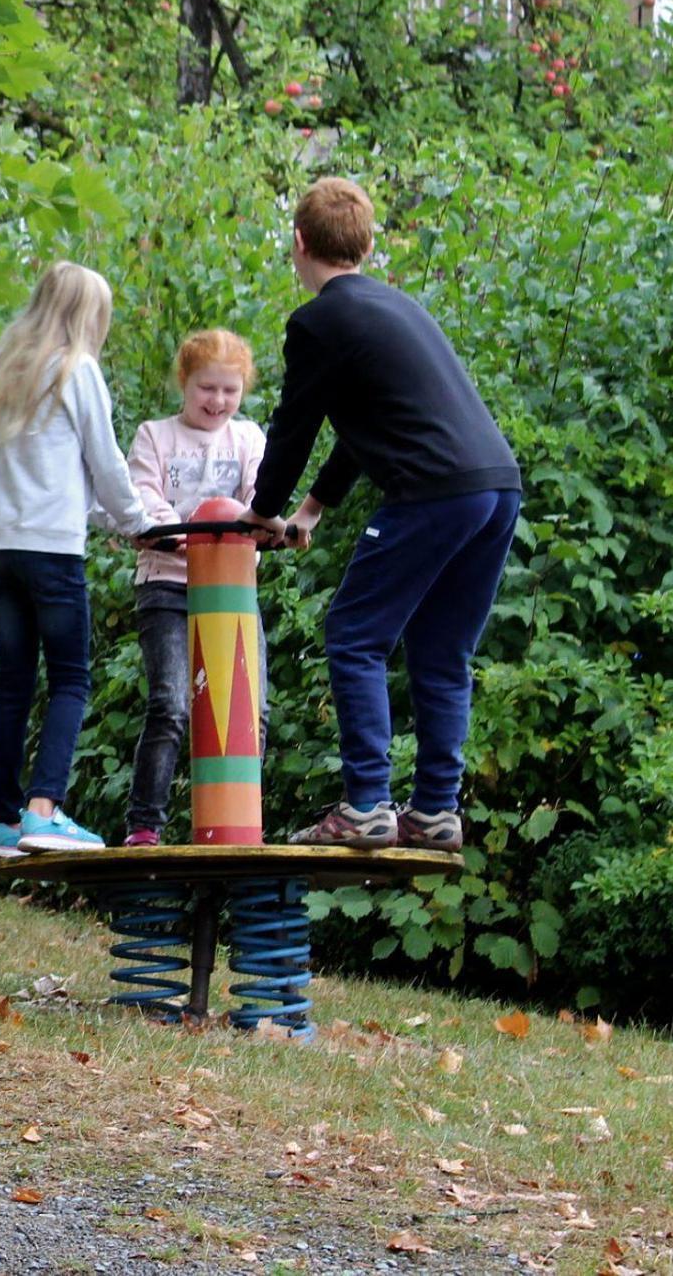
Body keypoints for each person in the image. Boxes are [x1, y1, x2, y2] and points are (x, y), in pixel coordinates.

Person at [239, 176, 523, 851]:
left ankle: (367, 804)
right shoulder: (399, 309)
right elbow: (367, 428)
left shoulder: (319, 321)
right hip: (496, 487)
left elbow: (296, 425)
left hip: (435, 491)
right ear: (367, 245)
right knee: (441, 649)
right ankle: (434, 813)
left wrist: (262, 513)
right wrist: (310, 510)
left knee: (354, 631)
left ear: (299, 243)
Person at [0, 262, 159, 861]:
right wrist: (139, 524)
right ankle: (43, 811)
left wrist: (106, 519)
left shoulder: (8, 371)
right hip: (51, 553)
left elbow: (55, 475)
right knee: (71, 678)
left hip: (1, 545)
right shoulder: (78, 370)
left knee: (14, 682)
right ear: (86, 316)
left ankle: (1, 823)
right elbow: (106, 462)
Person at [119, 330, 267, 847]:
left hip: (230, 590)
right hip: (169, 583)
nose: (219, 401)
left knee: (249, 709)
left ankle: (239, 817)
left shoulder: (247, 438)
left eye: (230, 391)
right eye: (208, 388)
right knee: (171, 703)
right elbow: (144, 499)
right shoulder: (155, 436)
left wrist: (262, 522)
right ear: (184, 382)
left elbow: (259, 495)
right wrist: (188, 537)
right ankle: (145, 824)